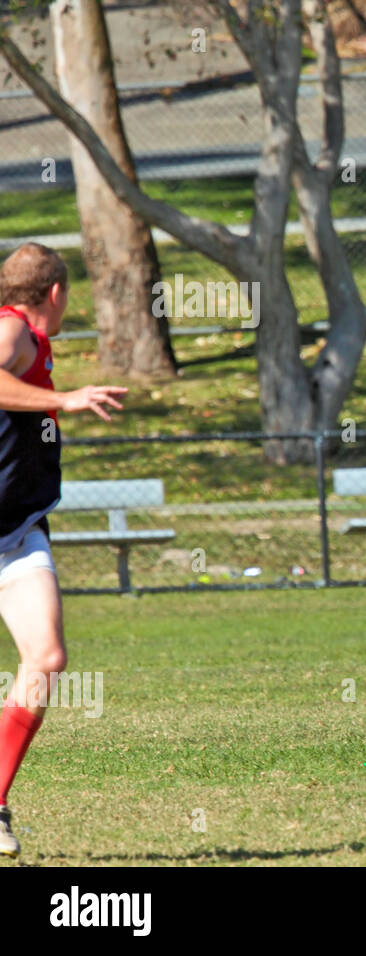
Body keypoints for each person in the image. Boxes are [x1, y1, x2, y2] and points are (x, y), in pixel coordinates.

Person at [0, 243, 127, 858]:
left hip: (16, 531)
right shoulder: (11, 332)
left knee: (45, 657)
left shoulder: (26, 338)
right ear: (57, 293)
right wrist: (65, 399)